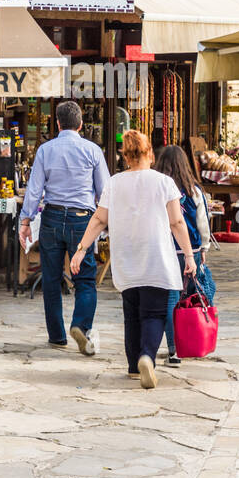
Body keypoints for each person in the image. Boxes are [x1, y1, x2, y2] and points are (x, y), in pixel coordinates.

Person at [69, 130, 196, 389]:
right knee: (154, 313)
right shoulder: (164, 182)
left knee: (132, 313)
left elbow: (99, 219)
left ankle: (132, 367)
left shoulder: (114, 183)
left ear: (125, 156)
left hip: (127, 257)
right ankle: (147, 357)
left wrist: (81, 249)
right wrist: (190, 255)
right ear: (150, 153)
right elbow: (177, 221)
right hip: (157, 256)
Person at [19, 100, 111, 356]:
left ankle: (57, 336)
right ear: (80, 124)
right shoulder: (92, 151)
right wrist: (105, 223)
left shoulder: (45, 150)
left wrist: (25, 221)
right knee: (85, 278)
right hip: (82, 220)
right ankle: (81, 324)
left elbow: (35, 190)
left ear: (57, 123)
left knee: (50, 278)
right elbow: (104, 191)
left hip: (52, 217)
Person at [154, 145, 213, 366]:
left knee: (170, 299)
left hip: (163, 248)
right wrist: (204, 248)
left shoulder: (158, 189)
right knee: (187, 298)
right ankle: (189, 341)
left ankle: (173, 349)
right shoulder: (194, 191)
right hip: (190, 250)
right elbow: (202, 222)